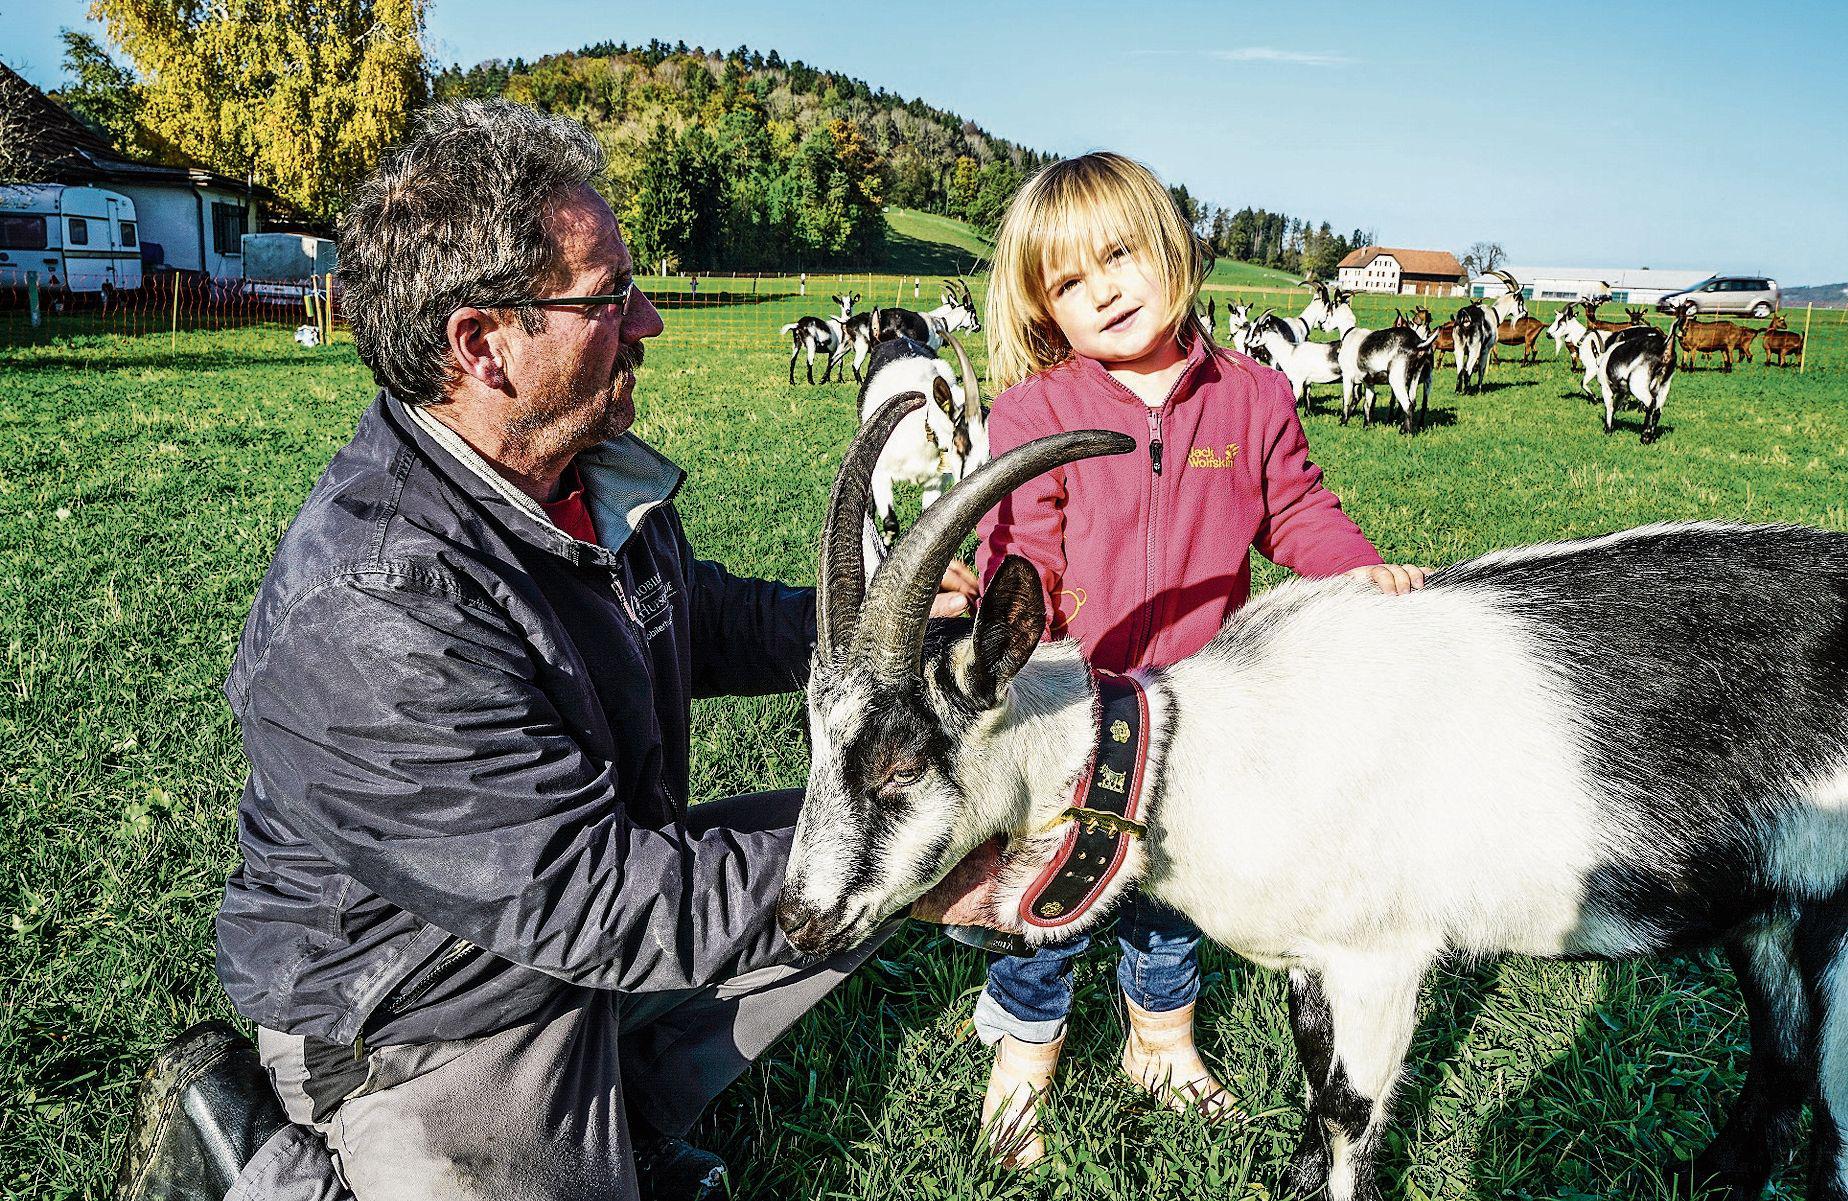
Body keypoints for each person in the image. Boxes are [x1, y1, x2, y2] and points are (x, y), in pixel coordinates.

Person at [117, 99, 976, 1201]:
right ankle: (262, 1158)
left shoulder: (581, 474)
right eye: (610, 294)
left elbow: (693, 616)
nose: (650, 319)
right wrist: (878, 855)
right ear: (482, 344)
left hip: (568, 917)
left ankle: (617, 1121)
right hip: (424, 1005)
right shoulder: (375, 607)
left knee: (875, 842)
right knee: (862, 851)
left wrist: (882, 621)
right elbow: (597, 901)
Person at [968, 152, 1426, 1167]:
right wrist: (1003, 613)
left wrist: (1358, 575)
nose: (1105, 292)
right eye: (1071, 283)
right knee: (1053, 897)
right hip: (1073, 713)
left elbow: (1297, 509)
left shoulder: (1253, 397)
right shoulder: (1036, 413)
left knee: (1176, 894)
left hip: (1202, 712)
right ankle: (1023, 1060)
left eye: (1120, 256)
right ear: (1046, 309)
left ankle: (1161, 1045)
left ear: (1169, 247)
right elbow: (1026, 550)